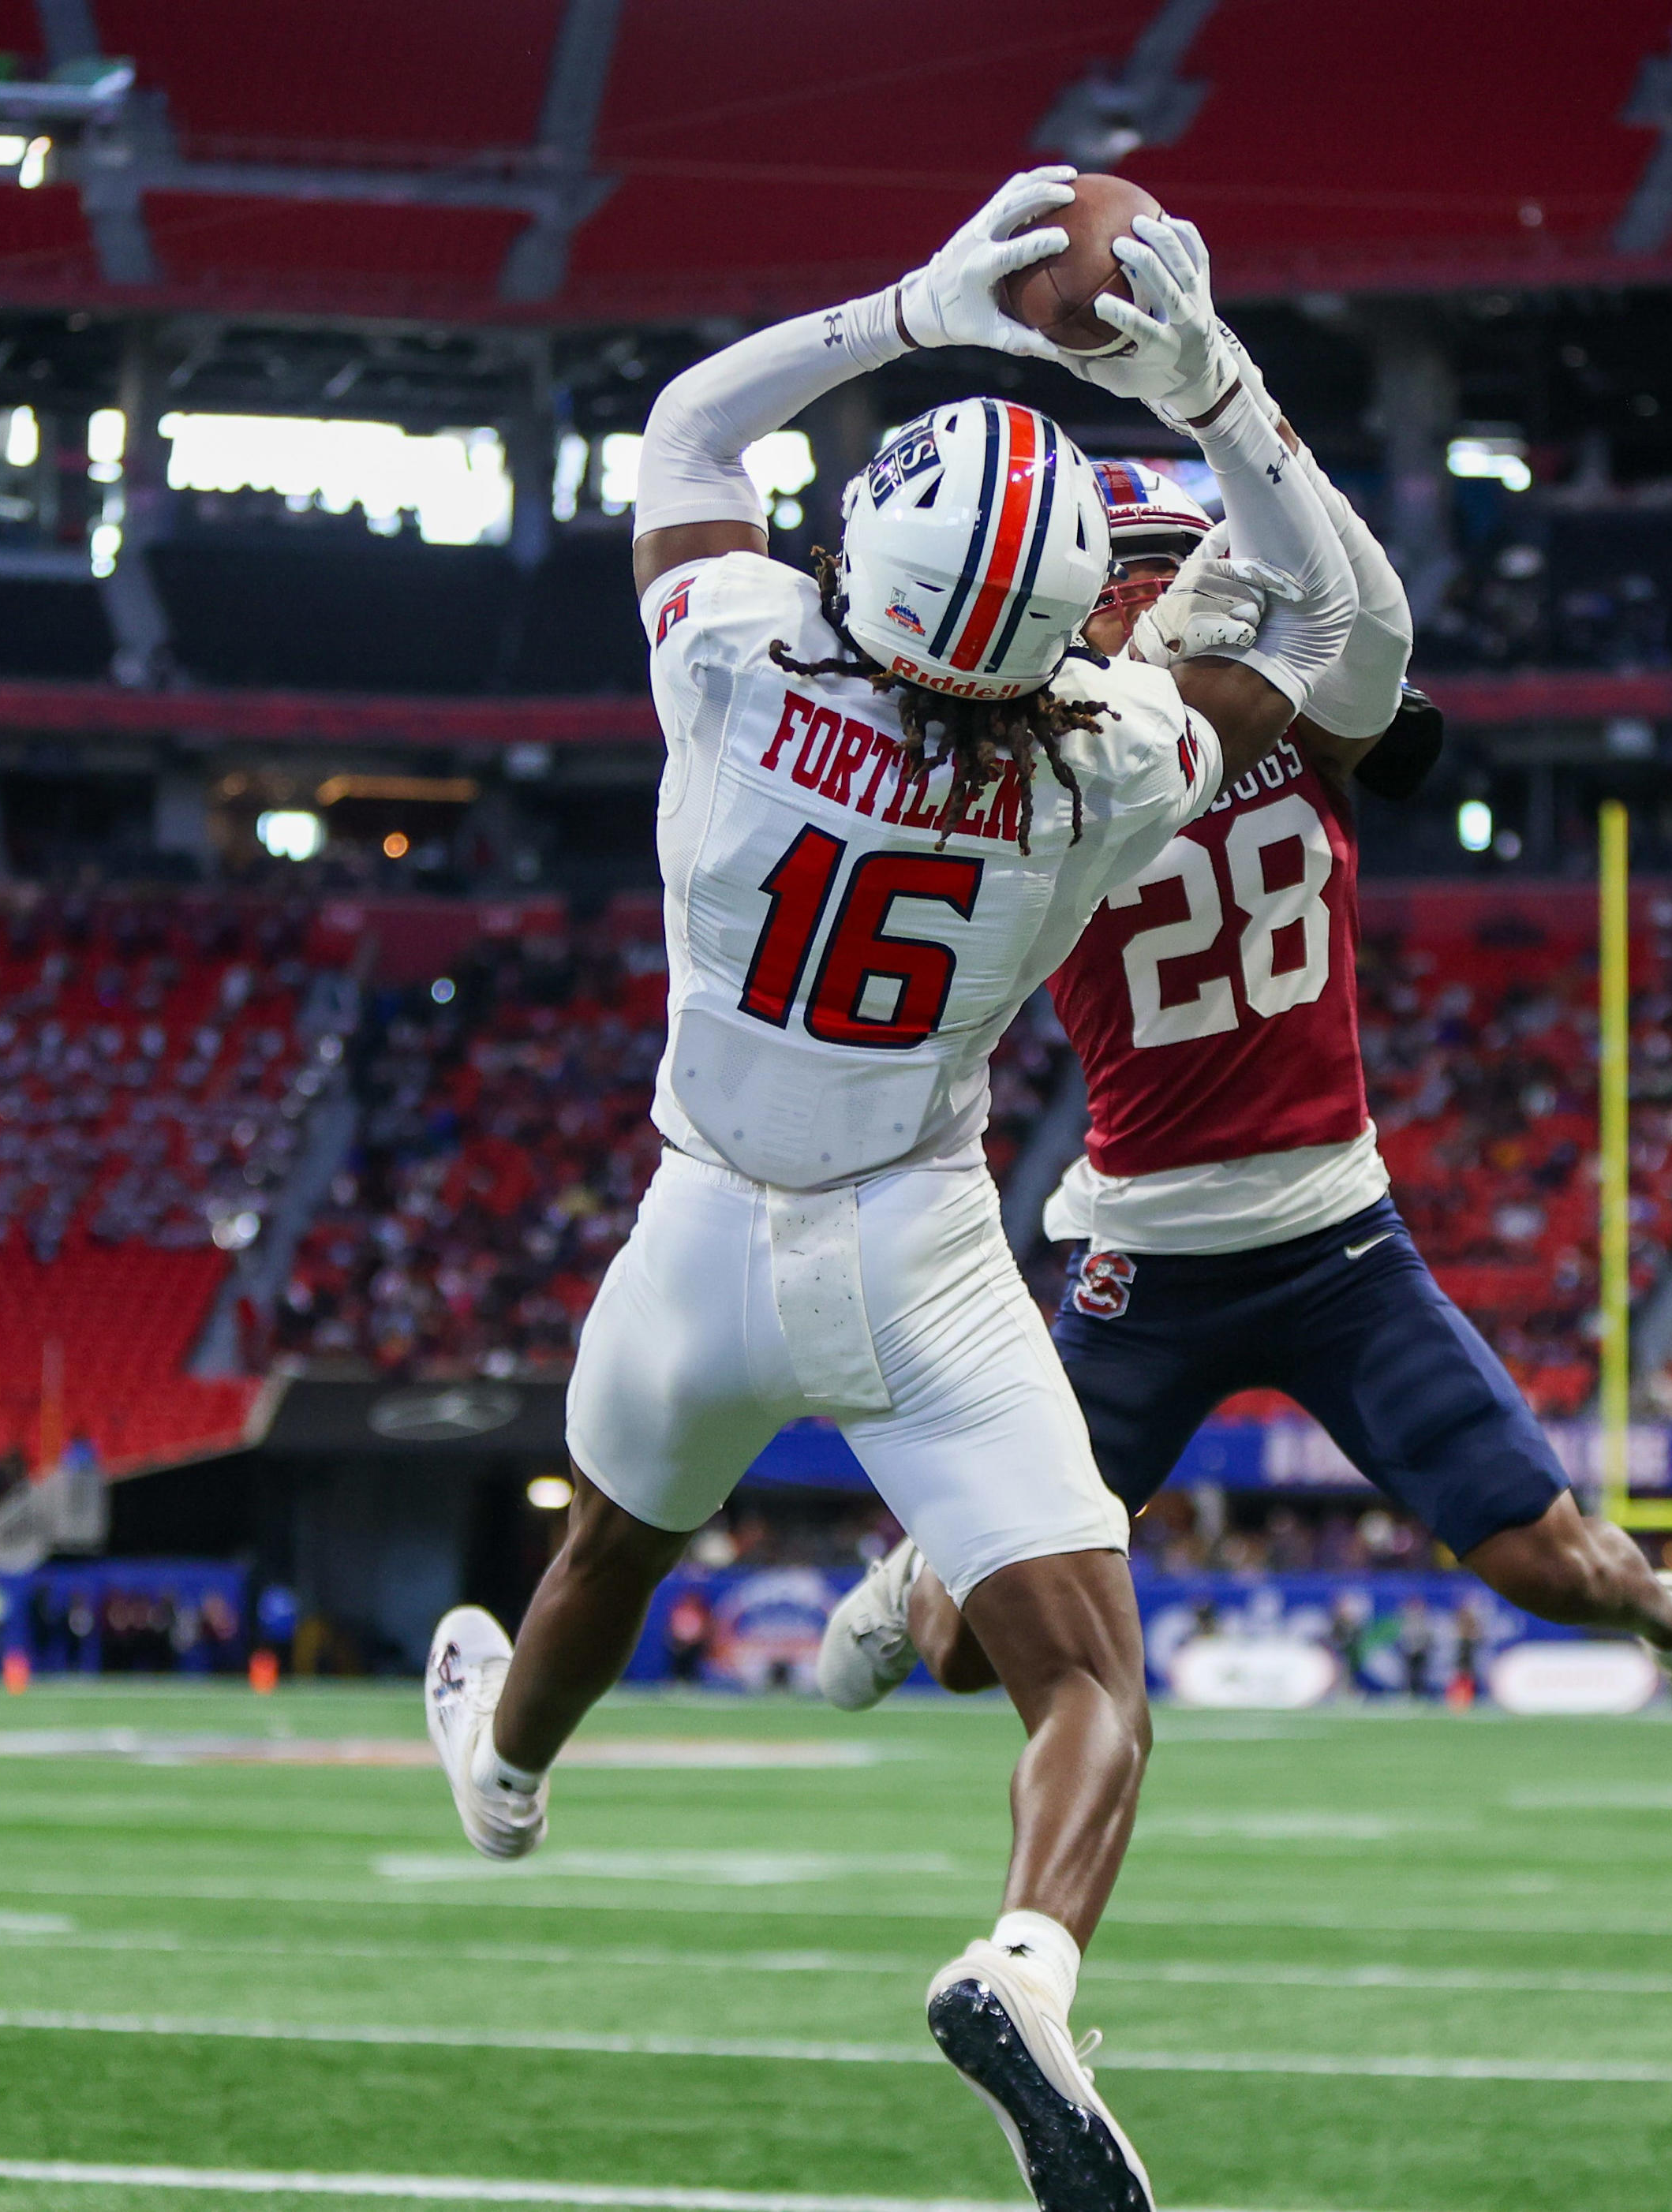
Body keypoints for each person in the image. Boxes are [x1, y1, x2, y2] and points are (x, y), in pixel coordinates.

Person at [422, 166, 1361, 2212]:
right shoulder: (1100, 762)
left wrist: (921, 303)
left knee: (603, 1547)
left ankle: (502, 1776)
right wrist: (1210, 394)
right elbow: (1314, 633)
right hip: (915, 1245)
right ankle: (1022, 1956)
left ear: (864, 557)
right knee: (1086, 1677)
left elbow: (687, 427)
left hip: (694, 1224)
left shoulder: (739, 666)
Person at [818, 437, 1672, 1769]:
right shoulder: (1043, 774)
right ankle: (924, 1545)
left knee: (1548, 1563)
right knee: (967, 1648)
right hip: (1143, 1260)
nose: (1145, 604)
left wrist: (1233, 427)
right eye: (1119, 581)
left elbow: (1371, 661)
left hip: (1334, 1240)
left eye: (1166, 574)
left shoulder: (1287, 713)